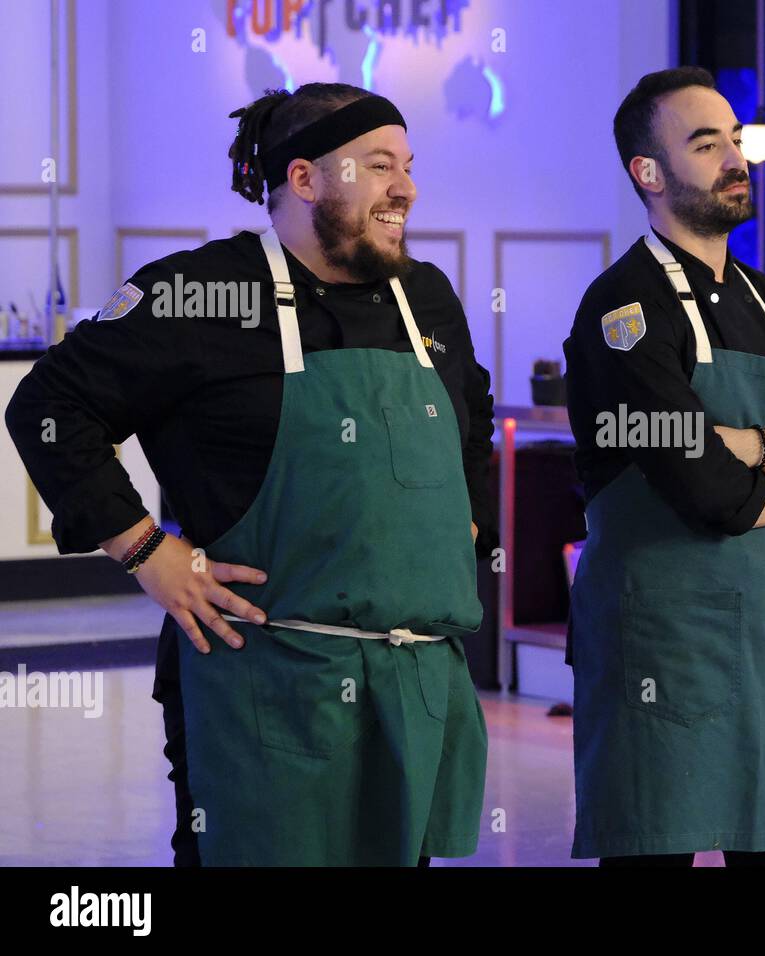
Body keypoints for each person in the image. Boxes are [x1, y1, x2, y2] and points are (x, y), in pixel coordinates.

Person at [5, 83, 496, 866]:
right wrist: (145, 551)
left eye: (406, 165)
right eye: (376, 165)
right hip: (264, 688)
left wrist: (469, 522)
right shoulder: (199, 294)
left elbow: (471, 413)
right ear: (303, 180)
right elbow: (49, 407)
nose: (405, 187)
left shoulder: (426, 298)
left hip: (413, 691)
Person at [562, 67, 765, 867]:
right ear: (648, 173)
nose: (735, 158)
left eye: (735, 139)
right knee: (651, 853)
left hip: (762, 642)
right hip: (654, 647)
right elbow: (704, 489)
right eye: (707, 143)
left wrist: (753, 446)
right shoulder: (621, 308)